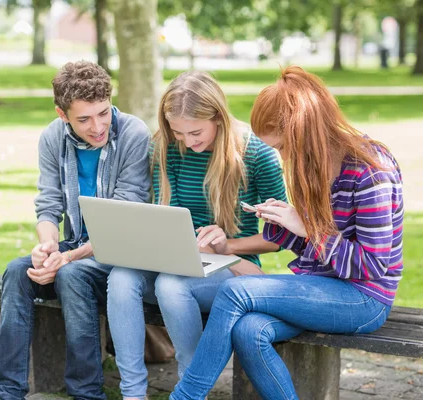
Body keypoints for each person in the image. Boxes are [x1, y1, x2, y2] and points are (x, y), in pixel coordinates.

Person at [169, 66, 404, 400]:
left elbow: (370, 267)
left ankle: (185, 396)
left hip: (365, 298)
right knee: (250, 331)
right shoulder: (315, 164)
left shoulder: (370, 171)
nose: (282, 156)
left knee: (236, 291)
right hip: (322, 286)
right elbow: (314, 250)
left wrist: (307, 229)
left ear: (306, 130)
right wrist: (282, 224)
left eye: (281, 146)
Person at [106, 70, 287, 400]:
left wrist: (227, 249)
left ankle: (192, 388)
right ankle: (132, 392)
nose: (187, 141)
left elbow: (279, 237)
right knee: (121, 277)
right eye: (178, 132)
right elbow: (169, 220)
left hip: (229, 269)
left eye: (195, 131)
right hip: (176, 260)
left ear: (218, 116)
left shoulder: (257, 154)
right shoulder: (165, 146)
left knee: (171, 286)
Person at [0, 61, 152, 400]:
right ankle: (6, 393)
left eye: (103, 113)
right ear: (62, 114)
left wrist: (68, 258)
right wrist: (48, 248)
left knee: (71, 276)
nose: (97, 126)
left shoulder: (134, 134)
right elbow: (48, 204)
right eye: (84, 119)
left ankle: (87, 393)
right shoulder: (52, 137)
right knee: (19, 271)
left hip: (121, 253)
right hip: (76, 247)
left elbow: (123, 215)